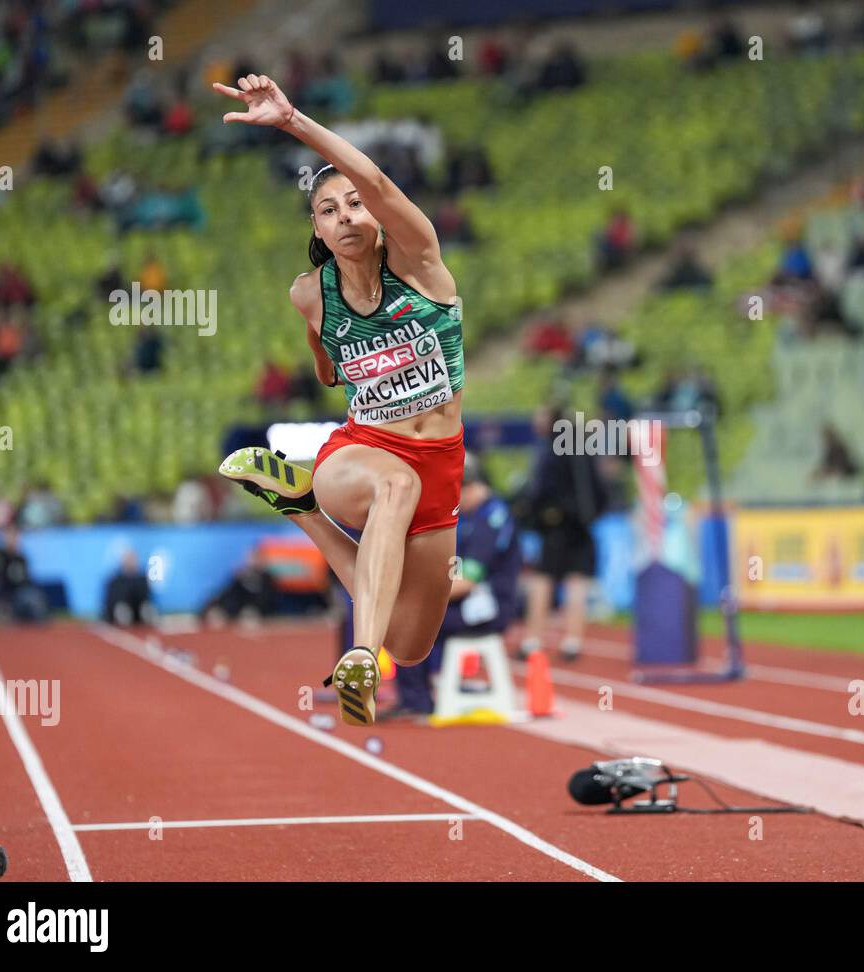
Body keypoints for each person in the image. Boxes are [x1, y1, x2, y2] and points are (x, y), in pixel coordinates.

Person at [212, 73, 465, 725]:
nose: (348, 214)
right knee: (393, 488)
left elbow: (378, 182)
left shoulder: (421, 265)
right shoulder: (309, 293)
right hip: (361, 451)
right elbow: (323, 361)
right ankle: (359, 658)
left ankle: (299, 508)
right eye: (330, 209)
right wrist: (332, 362)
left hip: (442, 460)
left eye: (355, 205)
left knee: (411, 644)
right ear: (318, 231)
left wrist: (292, 120)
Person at [388, 452, 522, 718]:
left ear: (469, 487)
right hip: (468, 602)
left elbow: (467, 582)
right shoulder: (472, 515)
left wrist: (416, 596)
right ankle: (423, 693)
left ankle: (417, 701)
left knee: (407, 621)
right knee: (407, 614)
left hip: (487, 607)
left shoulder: (492, 518)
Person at [516, 406, 608, 661]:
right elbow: (600, 487)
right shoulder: (583, 448)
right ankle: (573, 642)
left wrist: (532, 515)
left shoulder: (550, 450)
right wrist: (591, 515)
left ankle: (533, 641)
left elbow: (540, 489)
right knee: (577, 582)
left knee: (542, 578)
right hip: (582, 525)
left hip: (555, 524)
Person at [103, 549, 156, 626]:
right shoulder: (115, 580)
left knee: (147, 608)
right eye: (129, 560)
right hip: (122, 612)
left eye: (133, 559)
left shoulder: (142, 579)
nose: (132, 562)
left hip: (138, 612)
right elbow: (111, 601)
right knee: (122, 609)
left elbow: (146, 598)